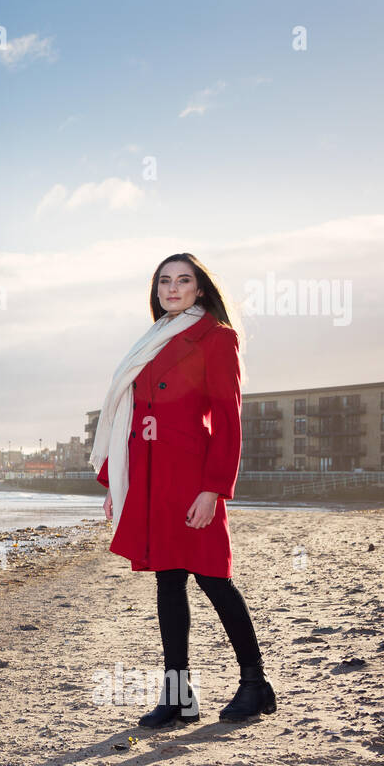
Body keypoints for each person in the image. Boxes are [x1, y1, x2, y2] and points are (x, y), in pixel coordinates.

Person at [90, 253, 276, 727]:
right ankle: (178, 697)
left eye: (183, 280)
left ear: (199, 288)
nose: (172, 288)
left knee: (214, 577)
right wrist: (117, 481)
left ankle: (255, 685)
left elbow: (229, 421)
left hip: (191, 478)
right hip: (149, 477)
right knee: (168, 582)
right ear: (156, 291)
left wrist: (213, 489)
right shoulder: (150, 341)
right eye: (164, 281)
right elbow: (127, 419)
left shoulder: (217, 337)